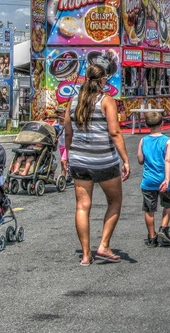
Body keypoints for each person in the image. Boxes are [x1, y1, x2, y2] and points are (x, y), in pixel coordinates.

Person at [63, 64, 130, 266]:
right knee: (115, 202)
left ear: (85, 79)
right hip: (104, 161)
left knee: (82, 206)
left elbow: (68, 132)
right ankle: (104, 245)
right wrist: (125, 159)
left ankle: (85, 254)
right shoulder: (106, 100)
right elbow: (115, 132)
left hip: (79, 161)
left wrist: (68, 155)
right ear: (102, 80)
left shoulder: (73, 102)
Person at [137, 111, 170, 247]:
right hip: (163, 179)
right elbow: (168, 159)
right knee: (168, 204)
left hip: (148, 180)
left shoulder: (143, 140)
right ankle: (163, 228)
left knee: (149, 209)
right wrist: (166, 179)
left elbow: (140, 160)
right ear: (162, 123)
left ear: (147, 125)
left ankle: (152, 237)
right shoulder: (167, 141)